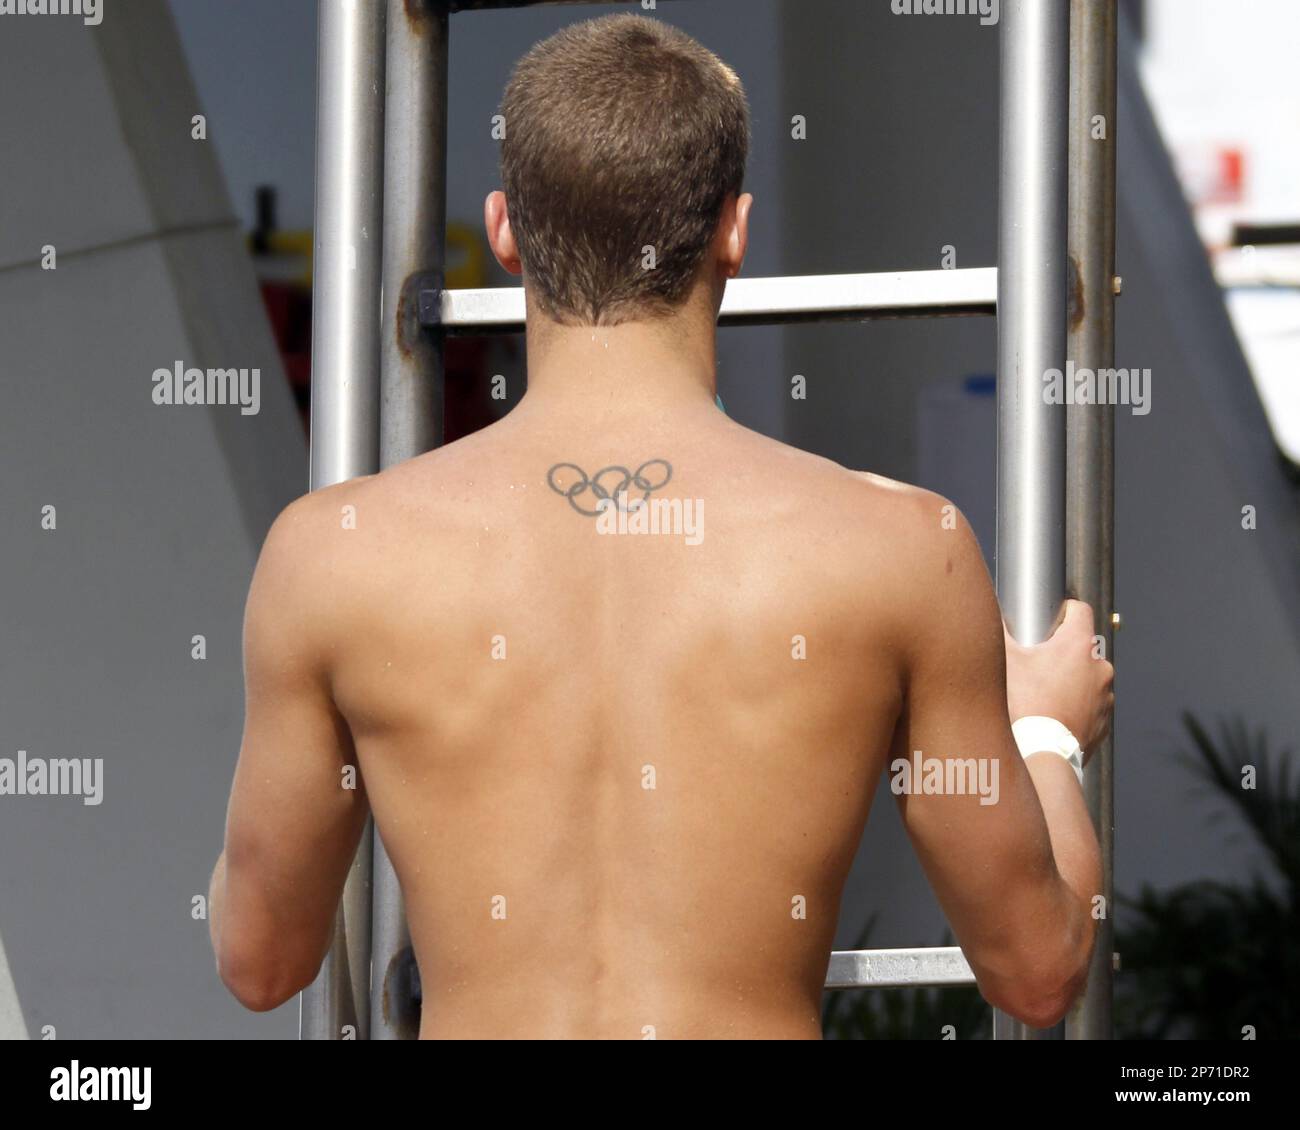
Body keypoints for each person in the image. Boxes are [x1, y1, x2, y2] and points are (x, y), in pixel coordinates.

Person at [208, 12, 1112, 1039]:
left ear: (504, 230)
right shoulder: (901, 547)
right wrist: (1044, 731)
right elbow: (1038, 970)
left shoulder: (332, 555)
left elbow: (261, 956)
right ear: (735, 228)